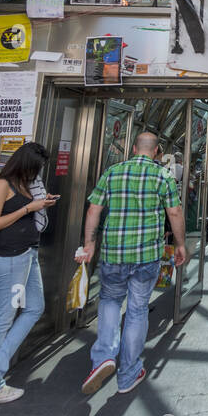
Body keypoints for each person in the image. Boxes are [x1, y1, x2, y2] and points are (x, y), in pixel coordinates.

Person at [80, 132, 185, 396]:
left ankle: (103, 356)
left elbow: (93, 209)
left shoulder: (113, 172)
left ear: (135, 147)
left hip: (113, 254)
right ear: (157, 151)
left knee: (109, 301)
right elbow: (174, 212)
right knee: (137, 310)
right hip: (145, 255)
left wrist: (89, 243)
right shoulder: (163, 176)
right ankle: (128, 374)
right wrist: (181, 245)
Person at [0, 142, 56, 416]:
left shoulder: (23, 185)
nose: (38, 172)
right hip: (10, 260)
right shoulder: (2, 185)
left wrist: (39, 204)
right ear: (25, 163)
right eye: (36, 167)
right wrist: (28, 209)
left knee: (34, 308)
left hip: (27, 255)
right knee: (3, 318)